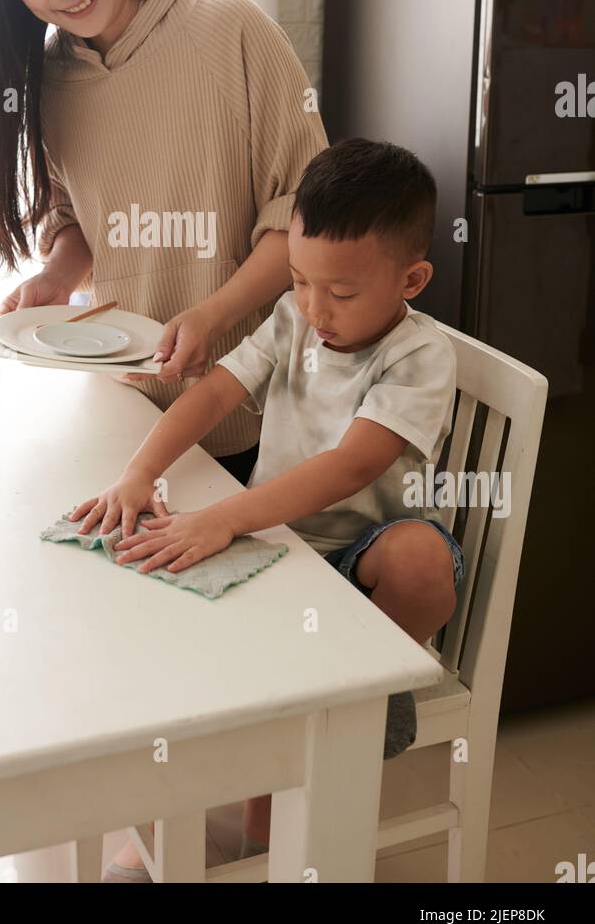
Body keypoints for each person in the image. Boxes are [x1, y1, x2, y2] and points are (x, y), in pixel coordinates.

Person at [72, 138, 465, 880]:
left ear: (411, 279)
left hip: (364, 554)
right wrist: (139, 472)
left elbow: (350, 465)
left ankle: (372, 690)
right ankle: (194, 829)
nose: (315, 308)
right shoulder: (292, 318)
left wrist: (228, 515)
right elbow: (217, 391)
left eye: (341, 294)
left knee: (420, 558)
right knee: (162, 625)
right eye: (300, 281)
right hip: (282, 548)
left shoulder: (421, 356)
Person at [0, 0, 328, 492]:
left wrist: (212, 315)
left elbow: (305, 221)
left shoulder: (230, 28)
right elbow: (76, 214)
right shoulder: (53, 78)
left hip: (247, 431)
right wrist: (57, 274)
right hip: (124, 416)